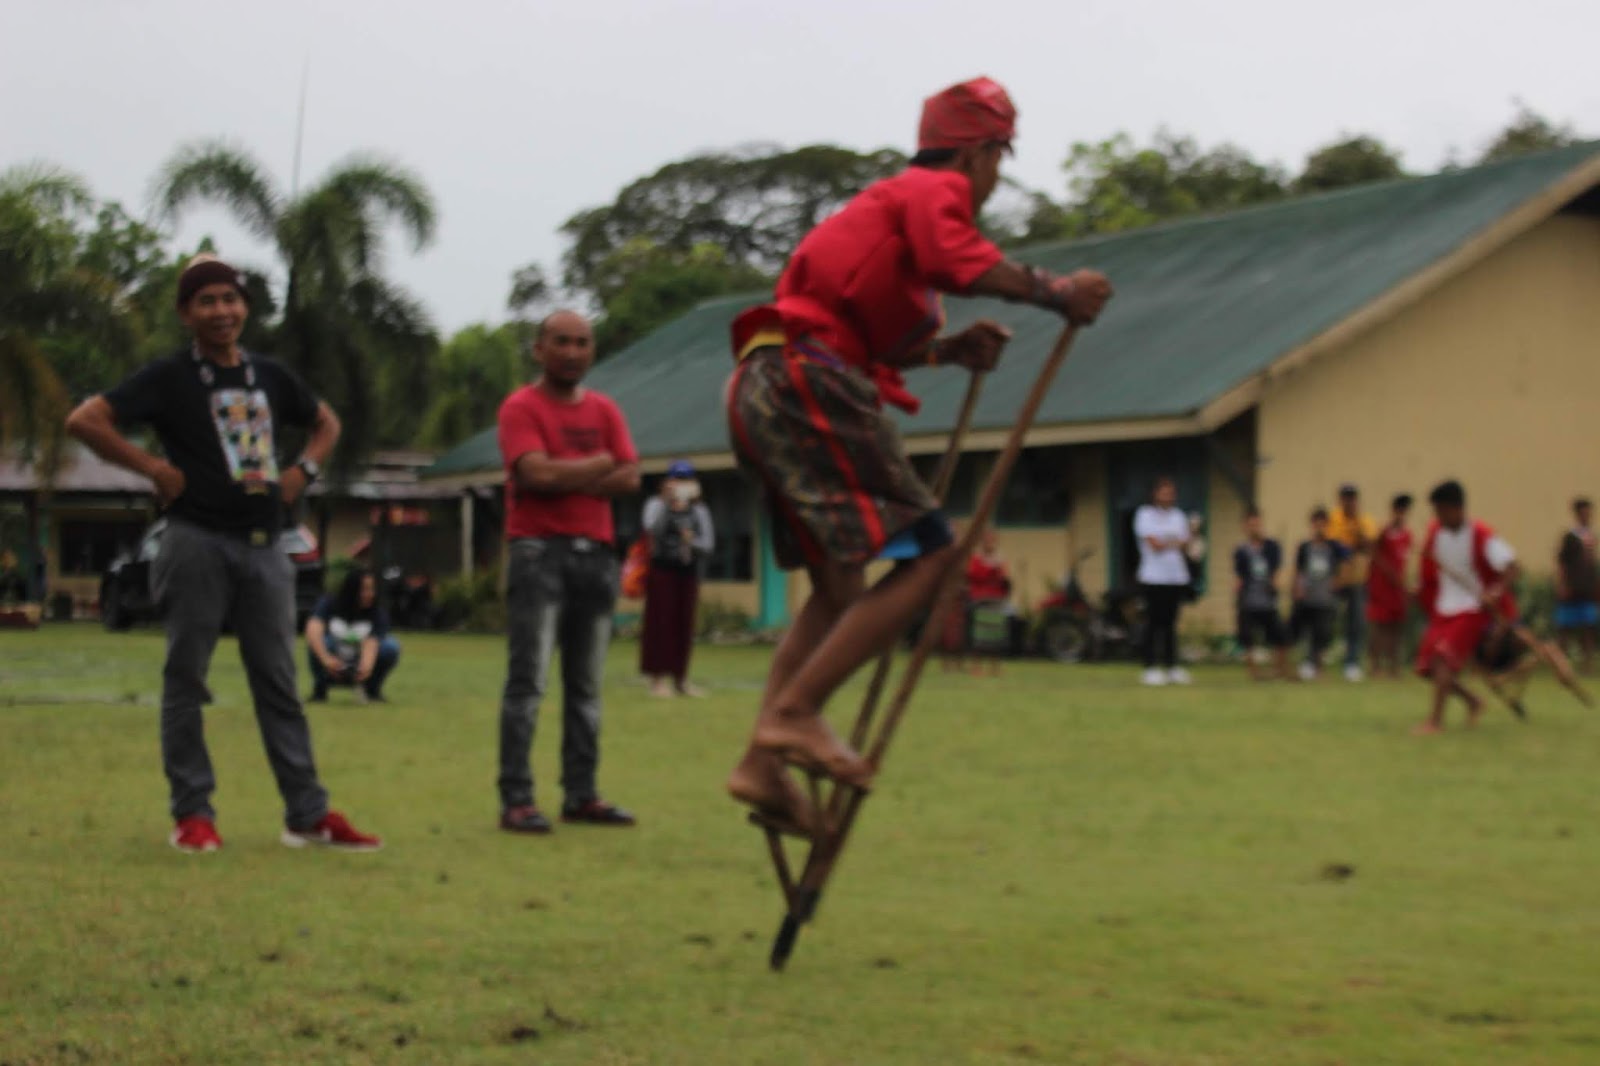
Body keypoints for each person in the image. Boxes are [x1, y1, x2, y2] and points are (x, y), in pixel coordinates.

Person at [722, 75, 1113, 833]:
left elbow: (876, 325)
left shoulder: (886, 210)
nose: (997, 176)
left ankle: (761, 766)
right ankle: (796, 715)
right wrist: (1055, 291)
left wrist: (944, 352)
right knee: (935, 557)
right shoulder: (932, 191)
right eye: (1002, 157)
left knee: (840, 594)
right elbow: (955, 258)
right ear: (980, 151)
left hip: (768, 384)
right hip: (809, 383)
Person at [62, 254, 380, 853]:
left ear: (245, 308)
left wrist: (303, 471)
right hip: (195, 540)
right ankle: (193, 814)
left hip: (265, 545)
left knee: (279, 683)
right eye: (205, 301)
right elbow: (86, 419)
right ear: (186, 313)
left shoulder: (270, 375)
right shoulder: (169, 377)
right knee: (187, 678)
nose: (220, 311)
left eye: (229, 299)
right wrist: (153, 468)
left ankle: (307, 815)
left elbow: (325, 421)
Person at [496, 310, 640, 834]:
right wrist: (599, 465)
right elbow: (534, 474)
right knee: (527, 684)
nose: (573, 351)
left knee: (586, 687)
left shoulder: (605, 408)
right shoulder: (520, 407)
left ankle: (582, 795)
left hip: (597, 557)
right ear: (539, 349)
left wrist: (570, 474)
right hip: (539, 556)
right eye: (561, 342)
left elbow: (630, 476)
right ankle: (516, 799)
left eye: (582, 342)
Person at [1414, 479, 1518, 735]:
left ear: (1456, 508)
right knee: (1426, 667)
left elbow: (1512, 566)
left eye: (1441, 510)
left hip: (1471, 610)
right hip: (1444, 608)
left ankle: (1435, 723)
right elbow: (1428, 567)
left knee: (1443, 660)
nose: (1437, 516)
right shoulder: (1436, 534)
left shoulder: (1481, 534)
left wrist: (1495, 591)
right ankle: (1473, 701)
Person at [640, 460, 715, 698]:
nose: (681, 485)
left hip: (688, 571)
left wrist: (689, 540)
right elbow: (652, 530)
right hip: (662, 570)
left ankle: (681, 679)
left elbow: (708, 544)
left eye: (686, 480)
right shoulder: (655, 505)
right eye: (677, 480)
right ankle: (657, 680)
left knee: (684, 624)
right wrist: (668, 503)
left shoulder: (700, 510)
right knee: (660, 624)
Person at [305, 568, 402, 703]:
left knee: (390, 646)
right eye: (364, 589)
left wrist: (365, 667)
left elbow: (372, 641)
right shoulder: (329, 603)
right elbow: (313, 628)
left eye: (372, 589)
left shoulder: (378, 613)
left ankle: (372, 690)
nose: (370, 594)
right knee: (320, 642)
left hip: (359, 659)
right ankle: (320, 690)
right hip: (332, 659)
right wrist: (326, 659)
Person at [1134, 477, 1192, 686]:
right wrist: (1174, 541)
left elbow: (1187, 544)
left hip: (1175, 577)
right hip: (1153, 577)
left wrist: (1169, 541)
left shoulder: (1179, 516)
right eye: (1164, 492)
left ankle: (1172, 667)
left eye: (1171, 493)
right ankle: (1149, 667)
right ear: (1155, 494)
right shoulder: (1145, 514)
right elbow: (1154, 545)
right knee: (1153, 623)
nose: (1167, 496)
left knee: (1170, 624)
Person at [1326, 483, 1379, 681]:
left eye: (1352, 498)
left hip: (1357, 578)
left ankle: (1352, 662)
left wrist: (1356, 532)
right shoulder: (1334, 518)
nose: (1349, 502)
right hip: (1336, 578)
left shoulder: (1364, 520)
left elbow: (1368, 545)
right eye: (1345, 498)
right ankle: (1318, 658)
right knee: (1325, 617)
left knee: (1356, 622)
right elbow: (1333, 545)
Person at [1291, 508, 1351, 681]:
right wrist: (1297, 588)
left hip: (1325, 598)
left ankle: (1319, 667)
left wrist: (1339, 581)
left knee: (1322, 634)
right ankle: (1303, 665)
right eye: (1316, 523)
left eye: (1323, 524)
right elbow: (1299, 571)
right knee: (1304, 633)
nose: (1319, 527)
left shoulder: (1334, 547)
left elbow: (1348, 561)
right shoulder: (1305, 547)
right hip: (1307, 597)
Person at [1233, 507, 1289, 681]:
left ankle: (1279, 669)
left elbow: (1277, 570)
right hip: (1249, 600)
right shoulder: (1241, 551)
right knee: (1248, 638)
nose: (1254, 528)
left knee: (1279, 635)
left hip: (1267, 600)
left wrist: (1275, 585)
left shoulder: (1272, 547)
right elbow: (1239, 576)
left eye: (1256, 524)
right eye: (1250, 525)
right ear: (1245, 527)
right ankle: (1254, 672)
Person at [1365, 494, 1414, 678]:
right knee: (1379, 626)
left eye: (1404, 511)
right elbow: (1373, 551)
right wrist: (1388, 572)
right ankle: (1375, 666)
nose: (1401, 514)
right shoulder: (1382, 532)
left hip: (1397, 588)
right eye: (1399, 510)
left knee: (1396, 627)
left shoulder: (1408, 535)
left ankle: (1394, 667)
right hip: (1381, 587)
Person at [1555, 497, 1598, 673]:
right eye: (1583, 512)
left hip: (1587, 589)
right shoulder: (1570, 537)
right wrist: (1562, 584)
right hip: (1571, 588)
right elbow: (1562, 563)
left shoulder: (1592, 537)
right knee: (1565, 627)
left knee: (1588, 626)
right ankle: (1561, 665)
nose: (1586, 516)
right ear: (1577, 514)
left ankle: (1587, 665)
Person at [963, 527, 1013, 677]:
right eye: (987, 540)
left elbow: (1005, 578)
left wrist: (1003, 579)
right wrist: (990, 570)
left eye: (992, 540)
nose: (989, 543)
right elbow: (972, 575)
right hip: (980, 600)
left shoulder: (1000, 559)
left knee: (996, 636)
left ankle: (995, 667)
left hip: (996, 600)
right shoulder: (976, 559)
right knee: (980, 637)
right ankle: (976, 667)